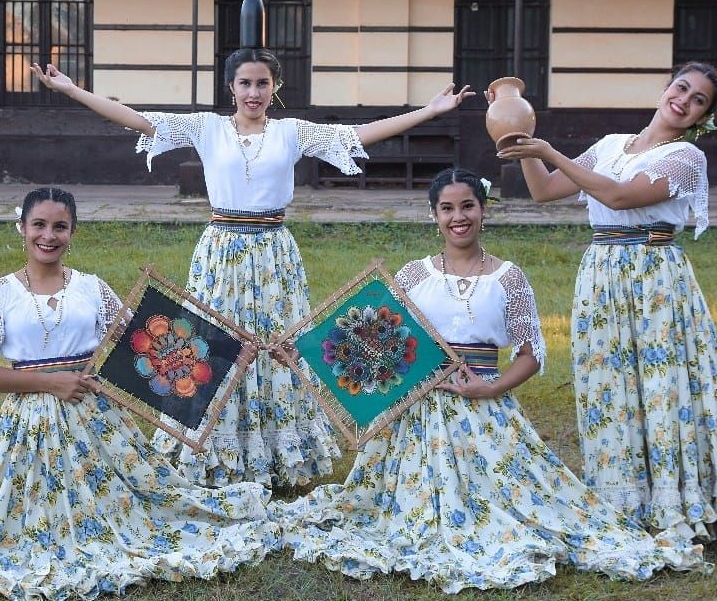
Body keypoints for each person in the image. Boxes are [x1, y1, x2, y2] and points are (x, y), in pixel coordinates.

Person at [31, 51, 474, 488]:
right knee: (212, 343)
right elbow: (139, 119)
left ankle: (278, 453)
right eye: (245, 83)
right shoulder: (206, 127)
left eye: (263, 83)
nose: (254, 92)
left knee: (276, 346)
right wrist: (72, 90)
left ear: (275, 87)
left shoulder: (291, 133)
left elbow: (356, 135)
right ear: (231, 87)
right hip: (220, 251)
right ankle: (210, 448)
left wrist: (429, 111)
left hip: (274, 255)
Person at [270, 168, 704, 591]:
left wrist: (491, 387)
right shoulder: (413, 275)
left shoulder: (508, 277)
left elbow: (531, 355)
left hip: (484, 403)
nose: (458, 217)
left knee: (518, 498)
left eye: (467, 206)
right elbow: (369, 342)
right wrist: (302, 355)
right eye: (446, 208)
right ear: (433, 216)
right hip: (417, 407)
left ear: (483, 210)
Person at [0, 189, 280, 601]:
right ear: (21, 227)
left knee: (136, 502)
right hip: (27, 423)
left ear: (73, 232)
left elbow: (150, 338)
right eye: (38, 224)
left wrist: (222, 351)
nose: (48, 236)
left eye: (60, 226)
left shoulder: (92, 288)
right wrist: (49, 382)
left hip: (92, 416)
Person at [496, 62, 717, 549]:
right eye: (682, 88)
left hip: (656, 282)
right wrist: (523, 142)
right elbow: (545, 190)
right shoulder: (610, 145)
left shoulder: (685, 157)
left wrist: (548, 148)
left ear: (703, 118)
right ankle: (632, 505)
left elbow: (617, 196)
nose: (685, 100)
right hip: (602, 277)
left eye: (698, 100)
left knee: (694, 392)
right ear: (666, 89)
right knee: (613, 394)